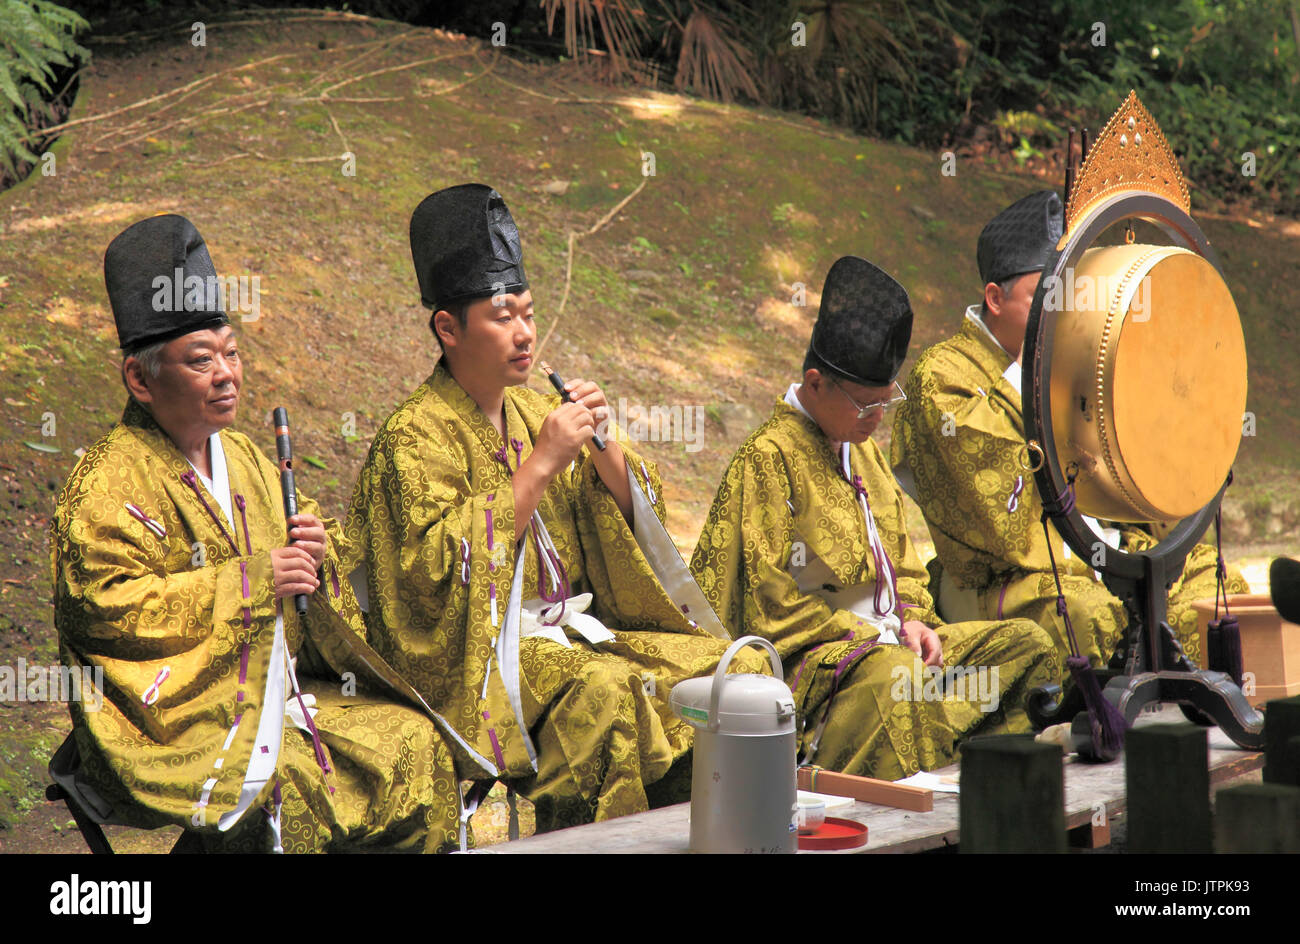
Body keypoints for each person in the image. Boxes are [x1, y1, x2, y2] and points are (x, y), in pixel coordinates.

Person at [344, 184, 763, 831]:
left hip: (575, 632)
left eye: (530, 314)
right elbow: (424, 581)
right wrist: (539, 465)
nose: (525, 333)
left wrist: (605, 452)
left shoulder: (539, 411)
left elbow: (628, 536)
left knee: (739, 670)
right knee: (604, 690)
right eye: (503, 316)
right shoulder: (414, 436)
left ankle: (720, 838)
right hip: (484, 655)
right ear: (448, 327)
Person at [51, 214, 462, 853]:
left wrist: (318, 553)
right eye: (200, 360)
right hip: (168, 720)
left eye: (231, 352)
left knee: (416, 741)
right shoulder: (107, 480)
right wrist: (250, 581)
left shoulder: (243, 456)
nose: (227, 374)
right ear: (140, 378)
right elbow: (102, 611)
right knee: (290, 784)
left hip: (275, 689)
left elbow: (317, 549)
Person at [690, 255, 1061, 780]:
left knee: (1025, 645)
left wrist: (914, 620)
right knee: (896, 676)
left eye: (886, 403)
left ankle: (965, 779)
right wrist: (870, 636)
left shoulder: (859, 448)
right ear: (815, 383)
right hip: (816, 659)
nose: (877, 420)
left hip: (892, 641)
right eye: (866, 406)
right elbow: (766, 606)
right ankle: (913, 787)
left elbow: (902, 566)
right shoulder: (769, 458)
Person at [891, 190, 1247, 668]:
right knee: (1093, 615)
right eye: (1043, 296)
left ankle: (1195, 722)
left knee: (1219, 588)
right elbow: (1001, 516)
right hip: (1010, 577)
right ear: (994, 298)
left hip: (1113, 550)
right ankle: (1094, 731)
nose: (1059, 312)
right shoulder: (943, 377)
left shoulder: (1079, 359)